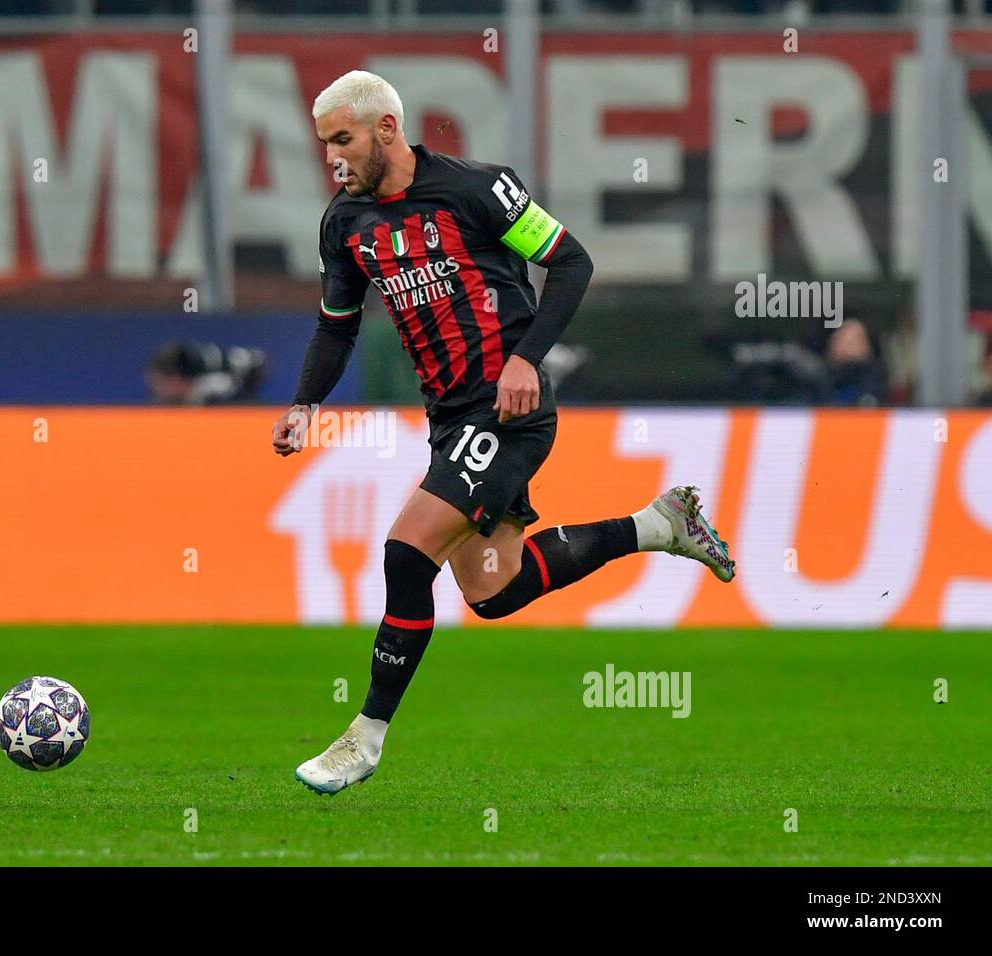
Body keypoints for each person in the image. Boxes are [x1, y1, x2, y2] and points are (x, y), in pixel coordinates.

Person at [270, 71, 736, 795]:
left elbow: (571, 262)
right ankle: (657, 525)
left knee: (405, 553)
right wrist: (304, 404)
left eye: (342, 138)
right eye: (324, 141)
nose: (331, 156)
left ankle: (363, 739)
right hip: (450, 419)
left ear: (386, 128)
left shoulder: (477, 190)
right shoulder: (345, 225)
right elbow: (336, 328)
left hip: (510, 410)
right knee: (493, 590)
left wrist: (525, 359)